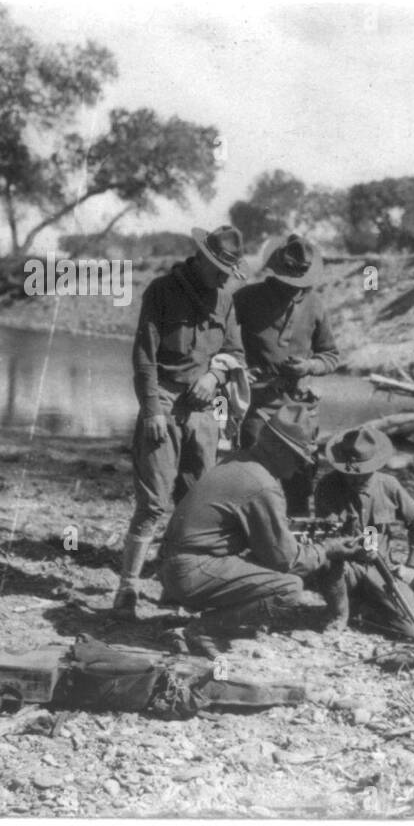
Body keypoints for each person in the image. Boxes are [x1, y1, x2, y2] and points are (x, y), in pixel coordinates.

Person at [113, 226, 249, 616]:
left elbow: (234, 351)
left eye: (229, 271)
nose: (225, 278)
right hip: (166, 404)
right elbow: (144, 358)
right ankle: (129, 588)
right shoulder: (161, 291)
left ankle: (177, 587)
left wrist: (215, 375)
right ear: (203, 260)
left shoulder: (225, 299)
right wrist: (152, 409)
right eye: (221, 269)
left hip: (204, 411)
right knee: (153, 503)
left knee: (194, 502)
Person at [156, 402, 364, 653]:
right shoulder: (262, 484)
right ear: (277, 448)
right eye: (297, 458)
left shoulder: (240, 460)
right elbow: (287, 561)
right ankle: (205, 628)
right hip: (190, 572)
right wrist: (328, 548)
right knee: (288, 588)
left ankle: (214, 617)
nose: (298, 468)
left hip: (177, 566)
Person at [234, 233, 340, 513]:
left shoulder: (316, 305)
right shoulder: (246, 298)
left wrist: (310, 366)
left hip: (301, 407)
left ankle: (297, 547)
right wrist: (239, 368)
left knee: (300, 484)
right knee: (253, 479)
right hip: (258, 406)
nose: (295, 288)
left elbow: (331, 355)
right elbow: (219, 340)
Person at [313, 426, 414, 638]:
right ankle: (339, 613)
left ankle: (367, 608)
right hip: (343, 568)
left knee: (412, 632)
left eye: (362, 474)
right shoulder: (327, 486)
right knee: (325, 564)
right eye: (348, 474)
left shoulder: (388, 486)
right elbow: (326, 534)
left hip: (380, 568)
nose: (354, 480)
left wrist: (412, 565)